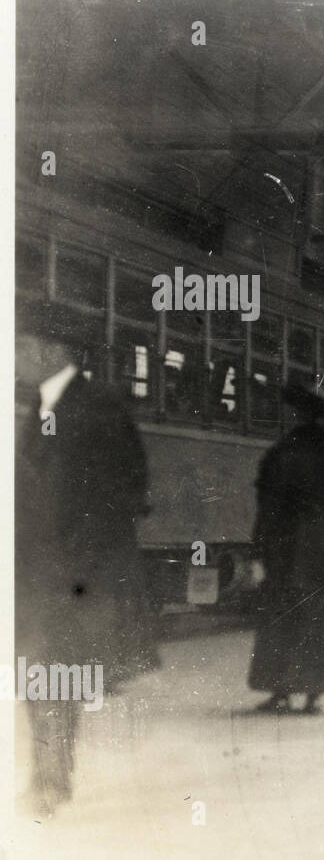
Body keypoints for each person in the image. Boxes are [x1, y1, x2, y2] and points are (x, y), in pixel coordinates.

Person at [15, 306, 153, 814]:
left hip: (73, 575)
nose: (12, 360)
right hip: (42, 571)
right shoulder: (48, 405)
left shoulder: (96, 407)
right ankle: (49, 778)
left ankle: (50, 784)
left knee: (50, 675)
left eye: (19, 348)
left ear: (51, 352)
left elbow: (127, 491)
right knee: (42, 676)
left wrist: (74, 564)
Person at [248, 381, 324, 715]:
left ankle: (279, 692)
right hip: (321, 543)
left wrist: (258, 551)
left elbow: (267, 507)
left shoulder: (279, 455)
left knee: (280, 615)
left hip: (284, 541)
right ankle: (314, 695)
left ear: (296, 414)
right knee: (318, 619)